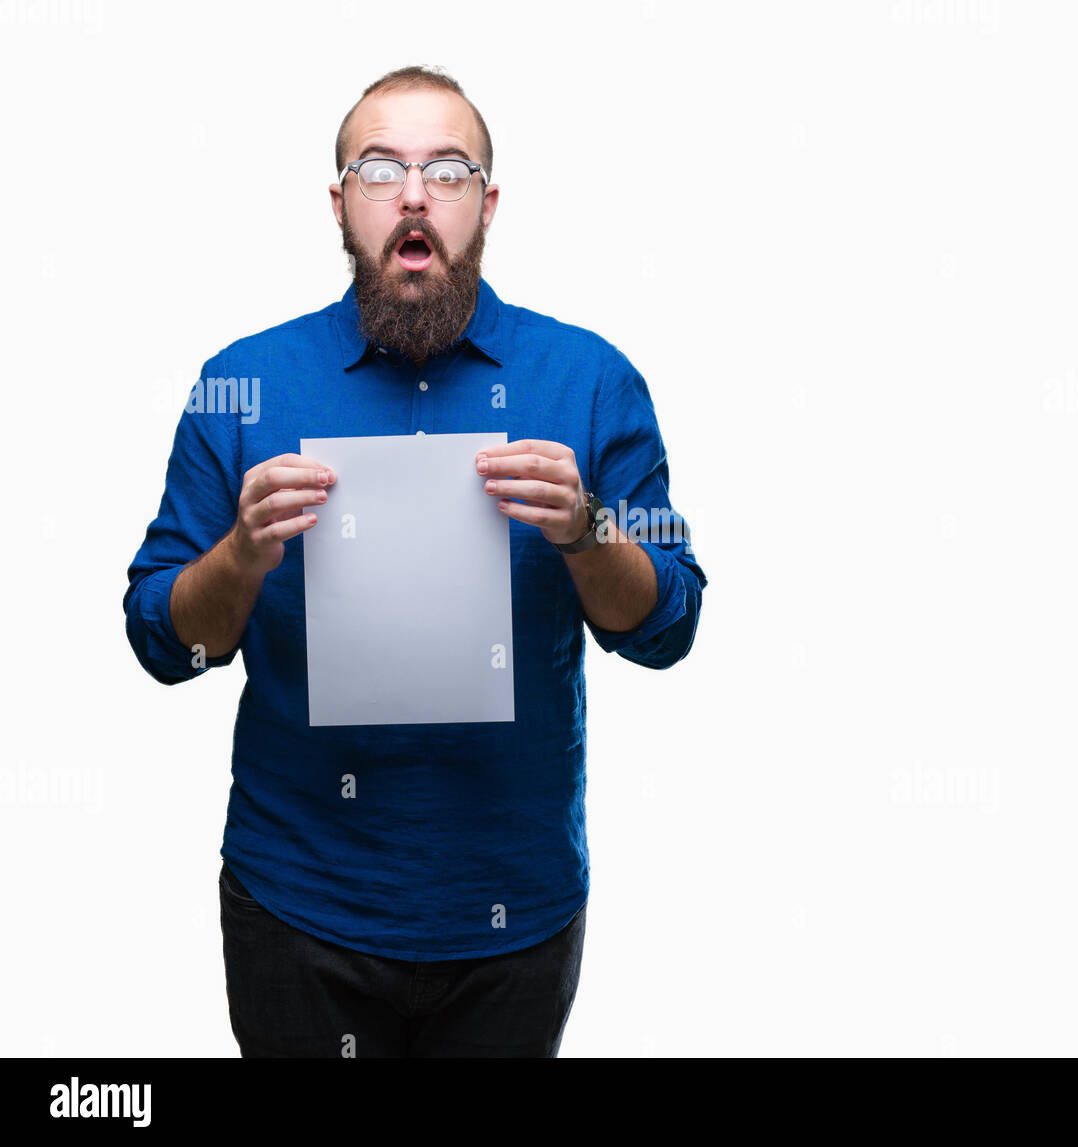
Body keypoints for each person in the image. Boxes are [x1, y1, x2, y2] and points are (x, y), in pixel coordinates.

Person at [122, 65, 706, 1058]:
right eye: (380, 167)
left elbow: (668, 625)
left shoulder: (591, 380)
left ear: (486, 202)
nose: (414, 193)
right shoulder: (241, 384)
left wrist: (585, 529)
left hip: (514, 914)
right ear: (341, 202)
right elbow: (161, 638)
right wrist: (241, 554)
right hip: (295, 904)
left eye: (448, 168)